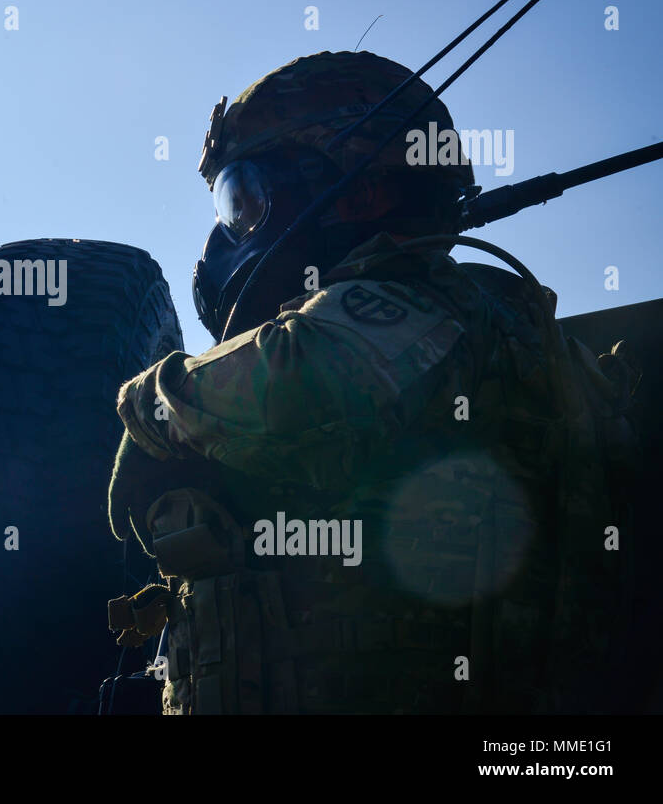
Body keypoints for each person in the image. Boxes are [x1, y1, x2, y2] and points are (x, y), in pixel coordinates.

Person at [105, 51, 641, 714]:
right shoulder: (500, 333)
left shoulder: (421, 302)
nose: (227, 239)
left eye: (244, 202)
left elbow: (296, 384)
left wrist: (153, 407)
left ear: (360, 190)